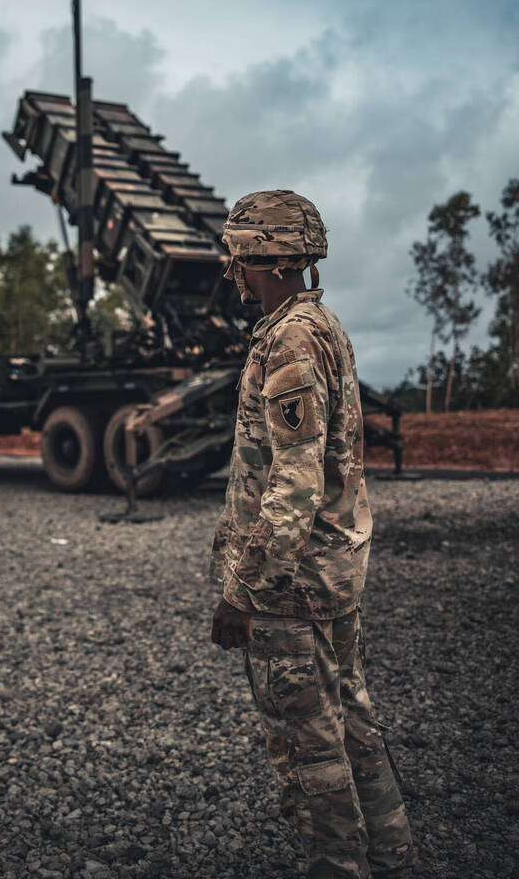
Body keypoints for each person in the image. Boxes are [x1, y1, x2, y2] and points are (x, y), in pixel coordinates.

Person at [210, 190, 416, 879]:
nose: (232, 269)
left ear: (258, 260)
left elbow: (294, 484)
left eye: (237, 255)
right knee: (354, 721)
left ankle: (340, 864)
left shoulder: (290, 340)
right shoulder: (321, 324)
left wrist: (242, 591)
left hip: (293, 587)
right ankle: (391, 856)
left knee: (312, 746)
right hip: (333, 571)